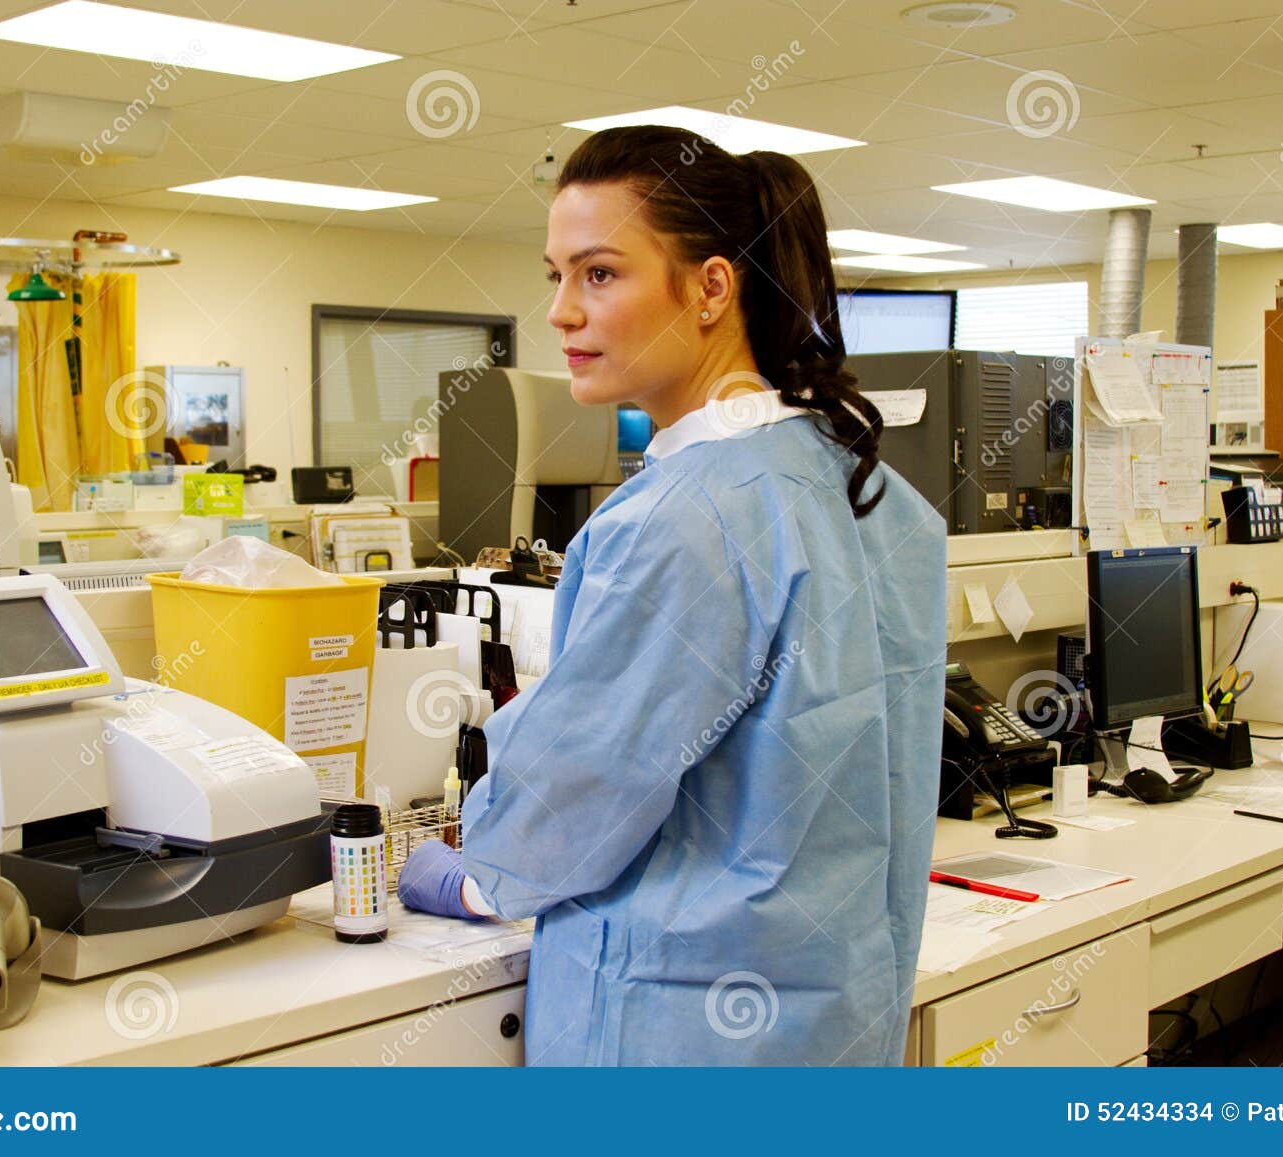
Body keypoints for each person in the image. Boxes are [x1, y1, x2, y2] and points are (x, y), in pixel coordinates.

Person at [398, 125, 946, 1066]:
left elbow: (575, 795)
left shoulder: (681, 518)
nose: (562, 312)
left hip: (676, 1028)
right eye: (555, 276)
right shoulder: (876, 494)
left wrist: (469, 873)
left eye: (600, 274)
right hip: (833, 1015)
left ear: (711, 288)